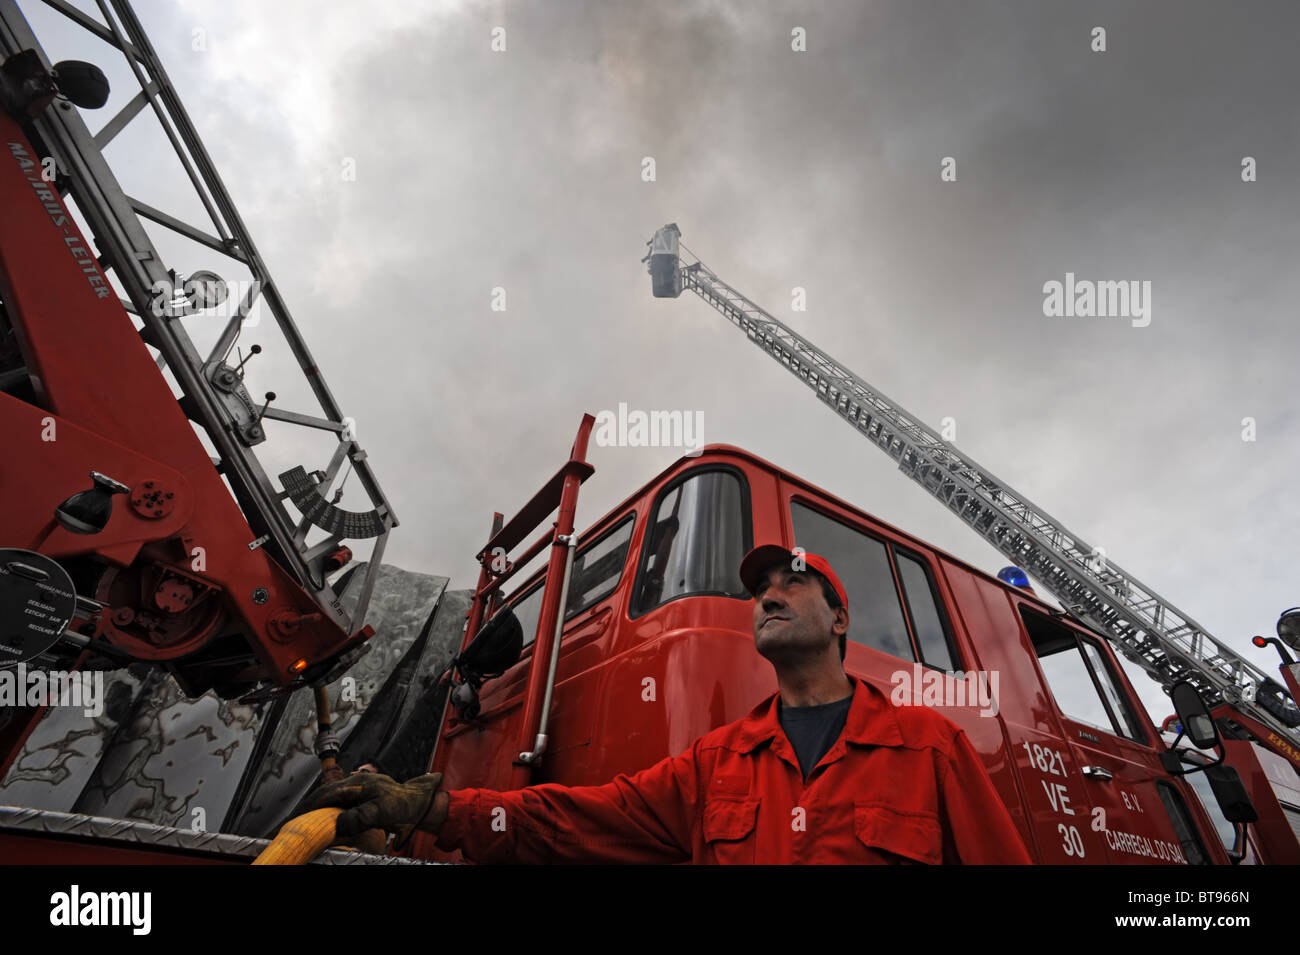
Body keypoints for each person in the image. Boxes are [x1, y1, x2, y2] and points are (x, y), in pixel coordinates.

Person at [304, 545, 1034, 864]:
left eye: (793, 583)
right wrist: (434, 808)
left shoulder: (929, 747)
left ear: (841, 619)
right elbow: (576, 821)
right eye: (759, 590)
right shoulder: (717, 763)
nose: (768, 596)